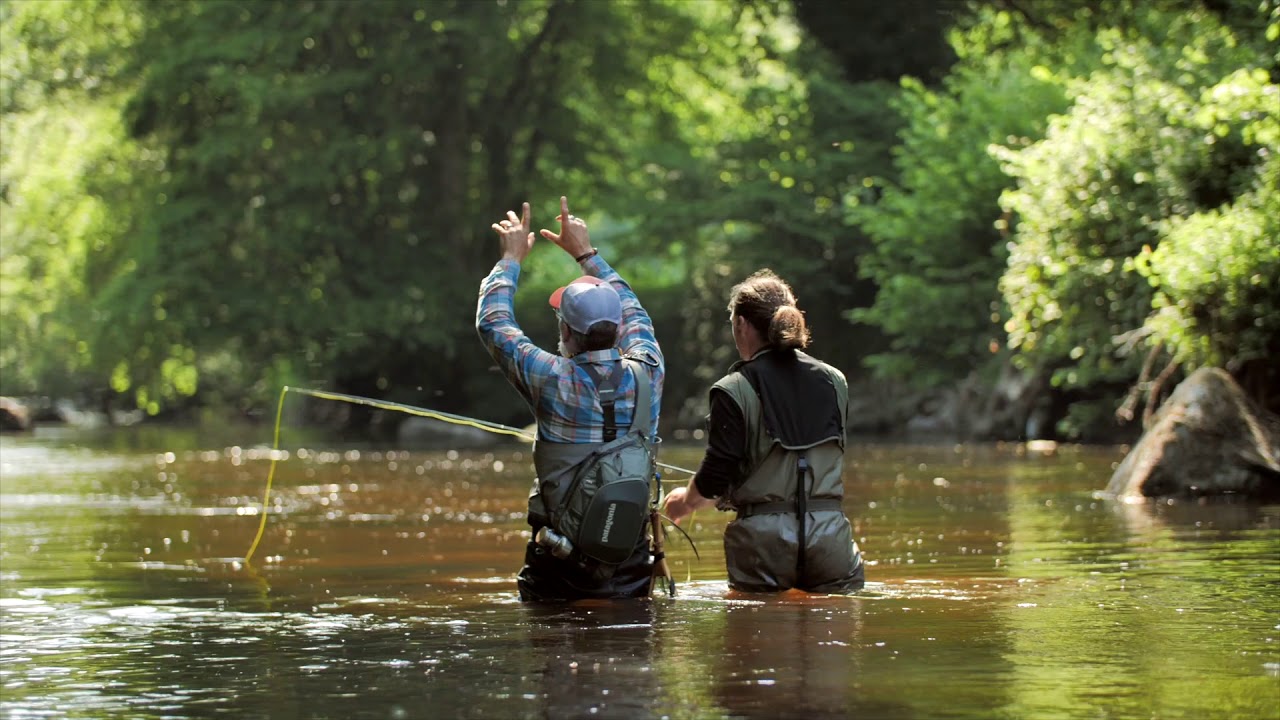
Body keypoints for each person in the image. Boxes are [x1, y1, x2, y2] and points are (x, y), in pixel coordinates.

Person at [477, 196, 664, 601]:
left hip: (559, 569)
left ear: (566, 333)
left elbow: (493, 323)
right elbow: (635, 310)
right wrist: (586, 253)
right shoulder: (649, 370)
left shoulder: (551, 377)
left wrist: (510, 260)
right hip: (631, 565)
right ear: (618, 330)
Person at [662, 269, 864, 593]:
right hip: (831, 538)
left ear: (741, 324)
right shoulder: (835, 380)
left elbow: (716, 474)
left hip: (764, 548)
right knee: (830, 638)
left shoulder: (733, 388)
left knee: (757, 635)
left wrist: (686, 502)